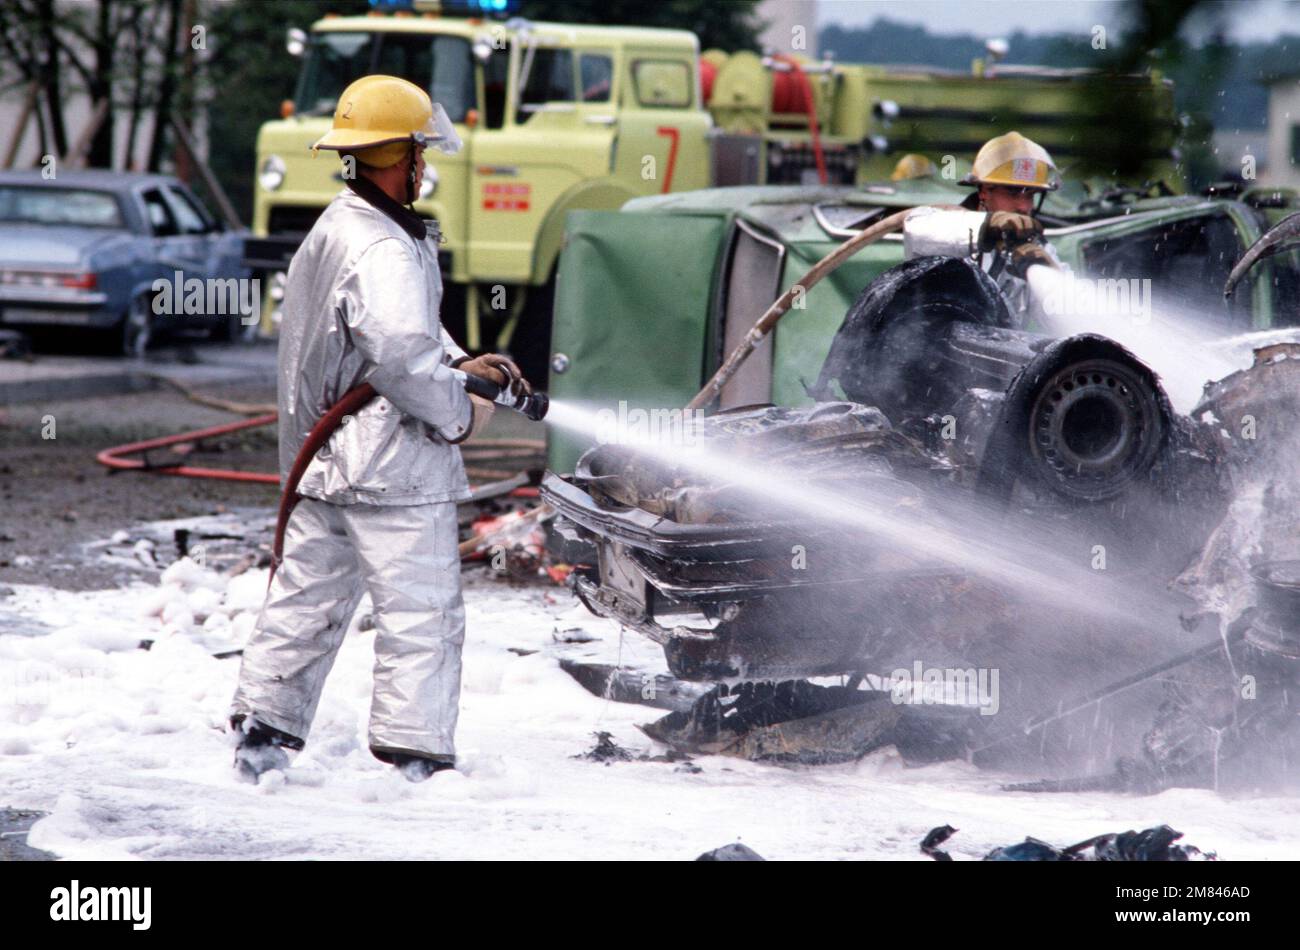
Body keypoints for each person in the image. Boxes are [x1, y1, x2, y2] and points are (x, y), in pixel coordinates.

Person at [228, 75, 525, 783]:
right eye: (420, 151)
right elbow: (400, 356)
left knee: (305, 599)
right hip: (393, 468)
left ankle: (261, 734)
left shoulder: (343, 227)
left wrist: (464, 362)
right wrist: (459, 414)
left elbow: (406, 337)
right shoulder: (384, 248)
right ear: (399, 157)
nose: (426, 164)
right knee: (422, 616)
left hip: (325, 464)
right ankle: (416, 756)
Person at [903, 131, 1065, 322]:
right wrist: (986, 227)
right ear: (984, 191)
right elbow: (916, 231)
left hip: (1000, 349)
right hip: (931, 347)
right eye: (1013, 192)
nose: (1024, 206)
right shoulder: (951, 227)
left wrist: (1053, 279)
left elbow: (1064, 323)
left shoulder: (1039, 250)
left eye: (1031, 195)